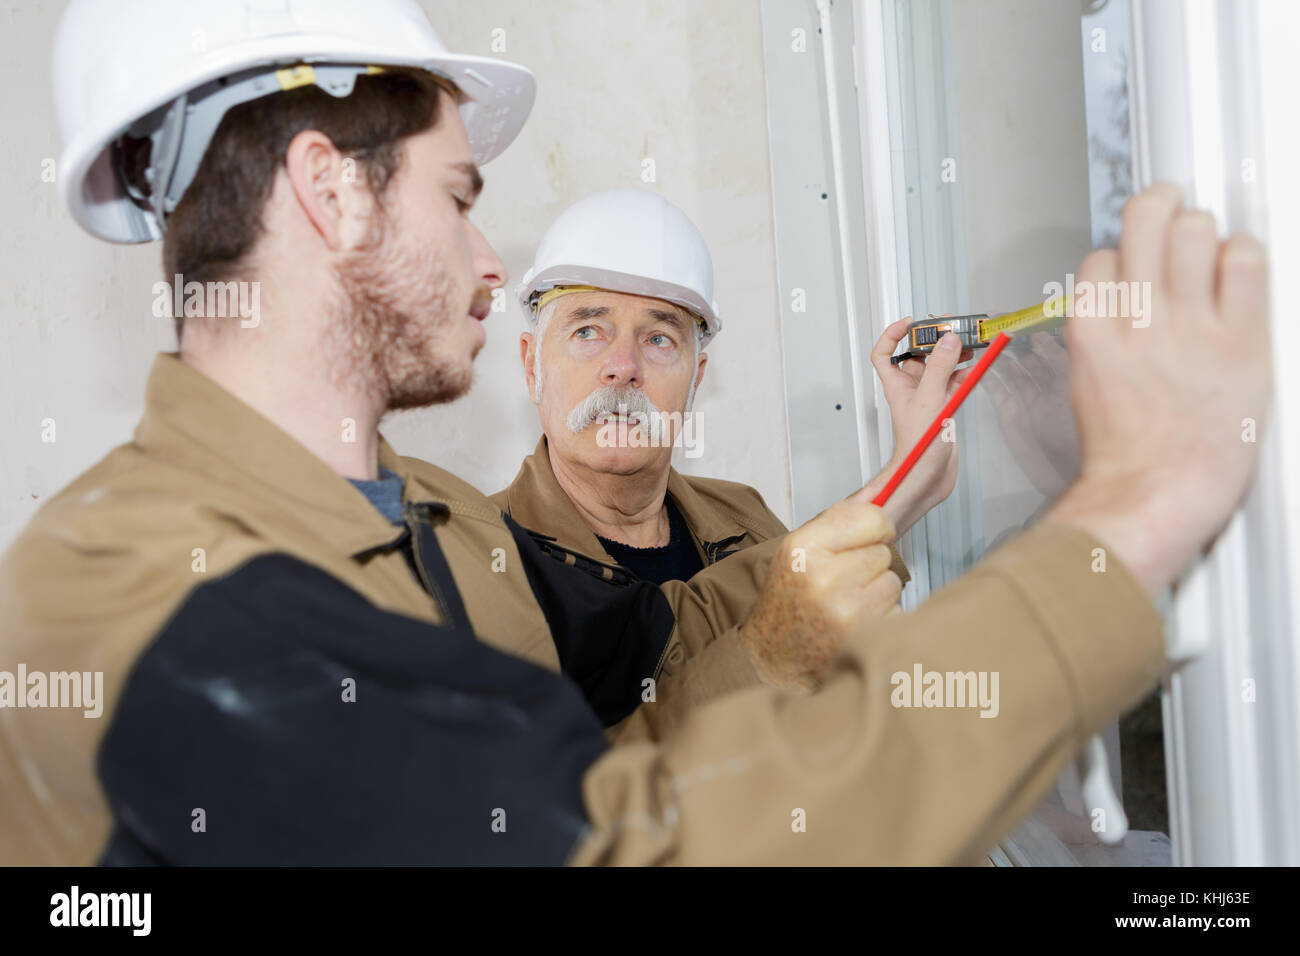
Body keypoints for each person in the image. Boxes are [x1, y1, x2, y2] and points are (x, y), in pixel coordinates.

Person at [0, 0, 1270, 866]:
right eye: (459, 196)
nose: (486, 259)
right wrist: (1140, 502)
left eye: (662, 333)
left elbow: (620, 770)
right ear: (331, 192)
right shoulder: (132, 590)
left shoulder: (433, 527)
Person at [492, 188, 969, 590]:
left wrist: (916, 469)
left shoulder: (744, 520)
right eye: (588, 331)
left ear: (696, 378)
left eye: (658, 339)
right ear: (532, 367)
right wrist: (903, 490)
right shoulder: (478, 556)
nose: (623, 367)